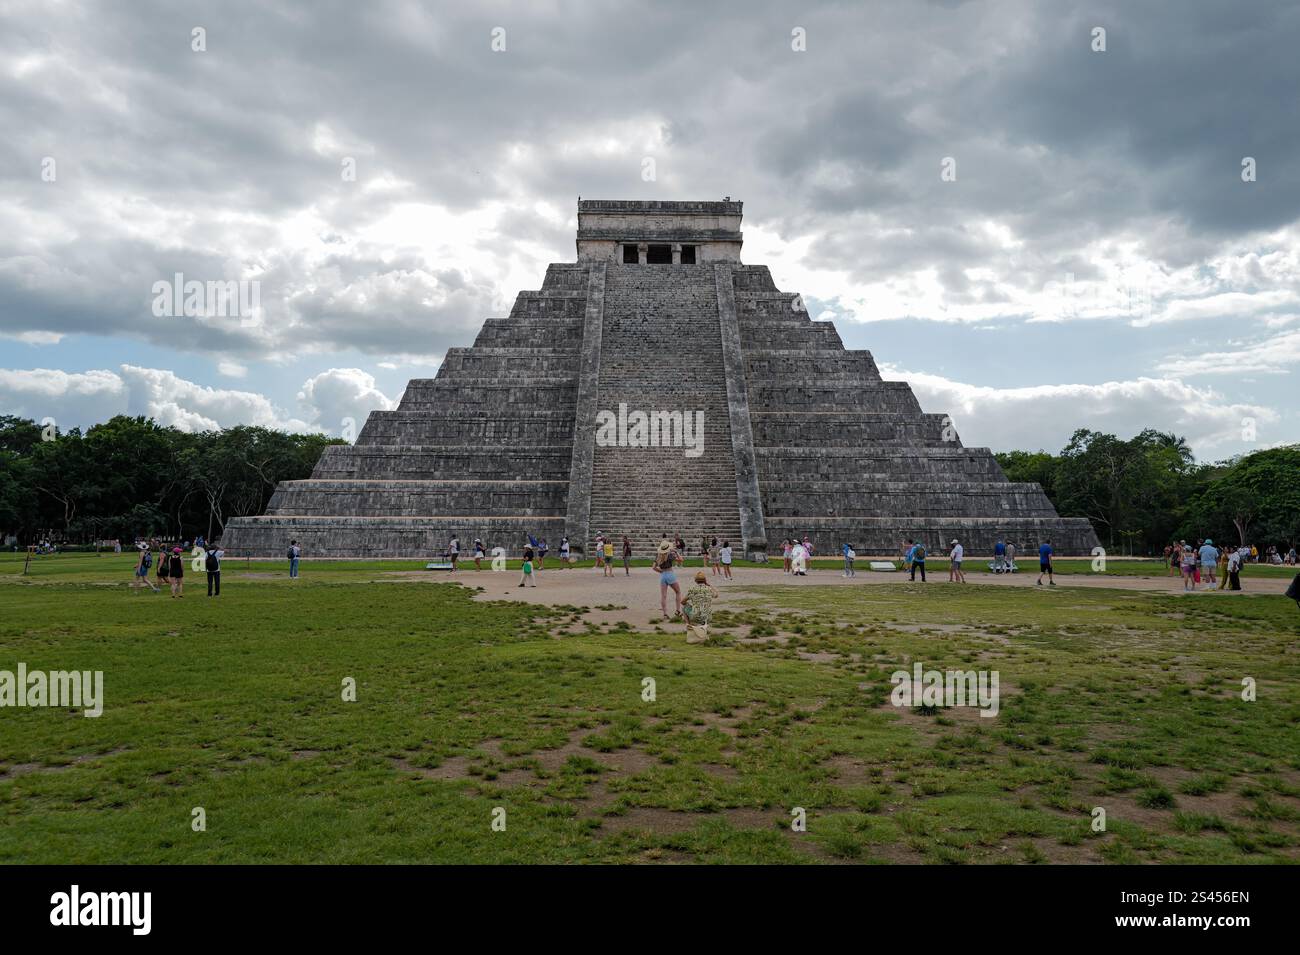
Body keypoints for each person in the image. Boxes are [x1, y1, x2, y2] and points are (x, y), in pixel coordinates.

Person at [682, 571, 720, 644]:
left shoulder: (692, 589)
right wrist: (709, 585)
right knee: (704, 614)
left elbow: (682, 602)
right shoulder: (709, 589)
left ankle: (689, 625)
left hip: (695, 615)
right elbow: (716, 594)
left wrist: (690, 604)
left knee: (684, 608)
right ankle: (702, 634)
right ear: (705, 580)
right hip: (707, 616)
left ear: (695, 580)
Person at [654, 539, 682, 618]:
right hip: (670, 574)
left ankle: (665, 614)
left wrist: (661, 572)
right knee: (678, 592)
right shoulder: (670, 555)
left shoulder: (658, 555)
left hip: (663, 575)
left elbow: (653, 567)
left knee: (663, 596)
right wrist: (676, 552)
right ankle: (677, 611)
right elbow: (681, 560)